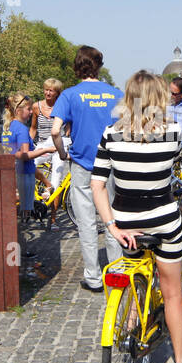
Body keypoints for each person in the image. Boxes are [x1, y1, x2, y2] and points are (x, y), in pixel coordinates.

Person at [91, 71, 182, 363]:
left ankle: (132, 319)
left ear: (128, 97)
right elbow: (177, 162)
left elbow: (97, 186)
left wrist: (111, 226)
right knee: (173, 293)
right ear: (160, 98)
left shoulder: (111, 133)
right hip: (164, 220)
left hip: (126, 224)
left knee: (136, 274)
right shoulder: (173, 132)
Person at [52, 45, 124, 292]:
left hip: (82, 163)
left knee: (86, 223)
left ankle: (93, 277)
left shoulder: (69, 95)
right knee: (112, 217)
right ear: (99, 66)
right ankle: (117, 270)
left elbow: (54, 131)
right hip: (111, 164)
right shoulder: (116, 94)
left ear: (77, 67)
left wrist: (63, 154)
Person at [3, 94, 53, 220]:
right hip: (25, 172)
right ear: (18, 111)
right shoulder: (22, 129)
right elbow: (25, 155)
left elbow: (10, 151)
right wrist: (45, 150)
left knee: (16, 207)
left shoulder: (8, 126)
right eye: (29, 109)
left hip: (12, 171)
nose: (31, 112)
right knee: (26, 211)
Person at [30, 79, 66, 192]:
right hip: (43, 144)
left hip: (58, 145)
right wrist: (28, 143)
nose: (48, 93)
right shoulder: (36, 106)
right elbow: (33, 128)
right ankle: (47, 185)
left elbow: (71, 122)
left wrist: (69, 128)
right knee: (29, 165)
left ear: (57, 93)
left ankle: (54, 209)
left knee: (57, 176)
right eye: (46, 90)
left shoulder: (63, 107)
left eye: (51, 90)